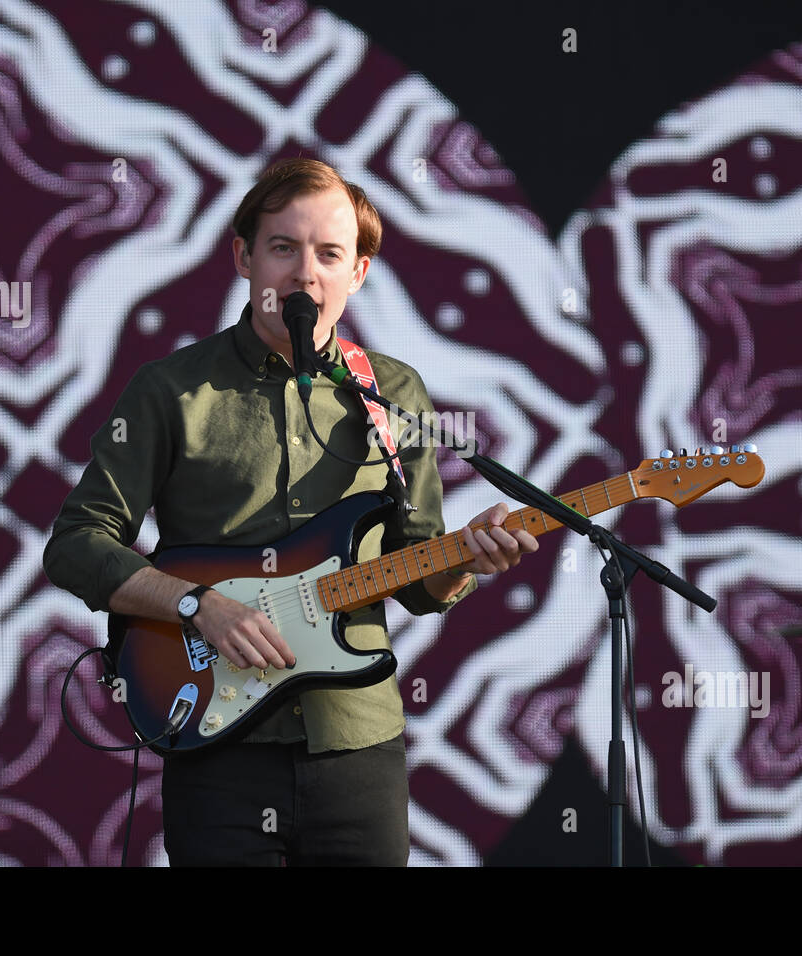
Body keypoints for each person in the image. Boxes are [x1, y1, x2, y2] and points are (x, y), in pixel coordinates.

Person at [43, 158, 537, 865]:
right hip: (218, 746)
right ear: (243, 256)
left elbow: (419, 578)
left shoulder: (393, 392)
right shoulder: (170, 390)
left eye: (330, 253)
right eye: (284, 247)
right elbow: (76, 543)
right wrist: (196, 607)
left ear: (358, 272)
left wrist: (466, 561)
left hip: (356, 745)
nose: (305, 273)